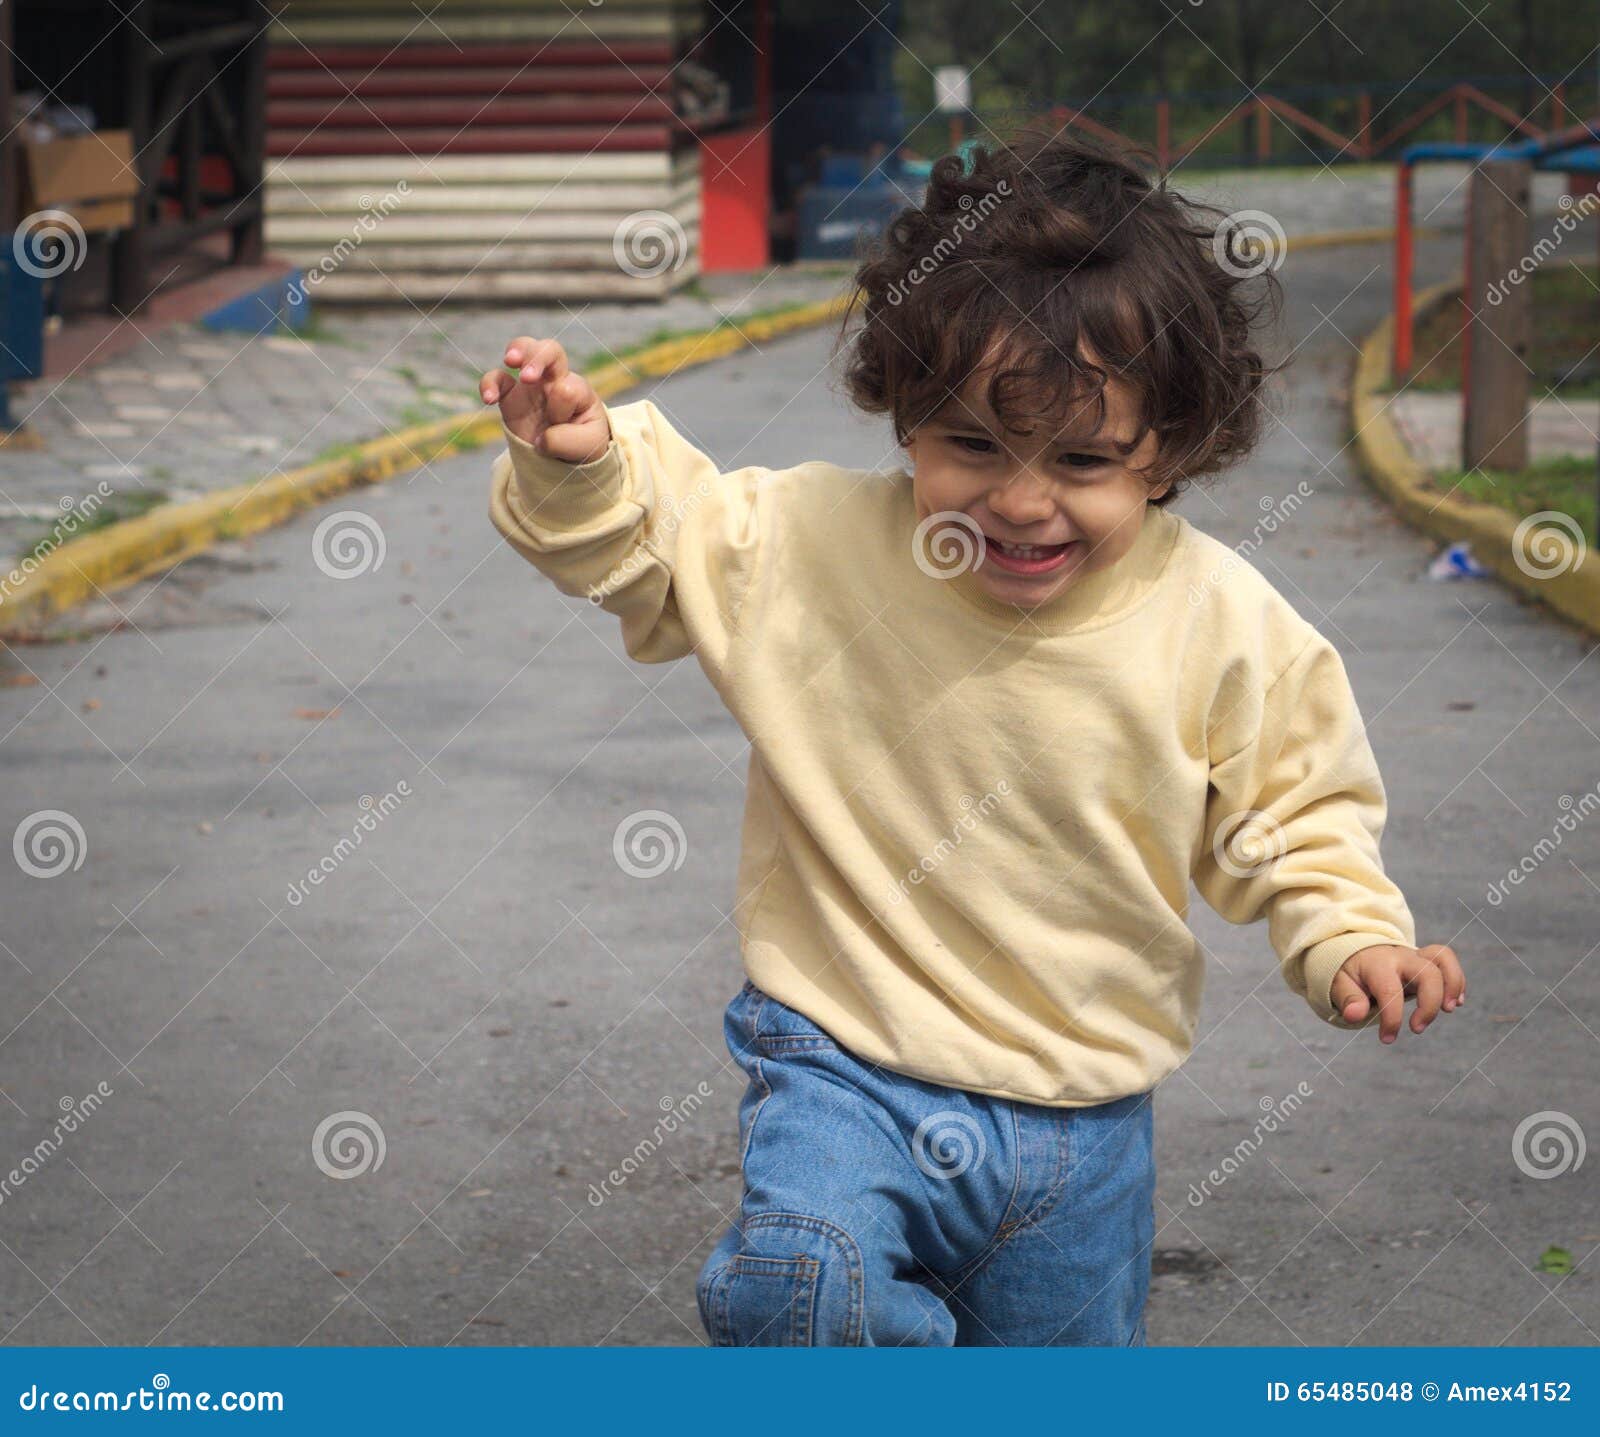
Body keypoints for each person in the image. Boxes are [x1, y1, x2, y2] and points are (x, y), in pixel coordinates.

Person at [479, 123, 1467, 1347]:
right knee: (800, 1286)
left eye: (1083, 459)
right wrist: (579, 464)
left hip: (1082, 1113)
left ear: (1167, 450)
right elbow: (654, 537)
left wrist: (1352, 938)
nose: (1020, 500)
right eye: (973, 444)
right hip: (844, 1061)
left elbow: (1295, 815)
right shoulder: (810, 547)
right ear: (905, 416)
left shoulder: (1223, 626)